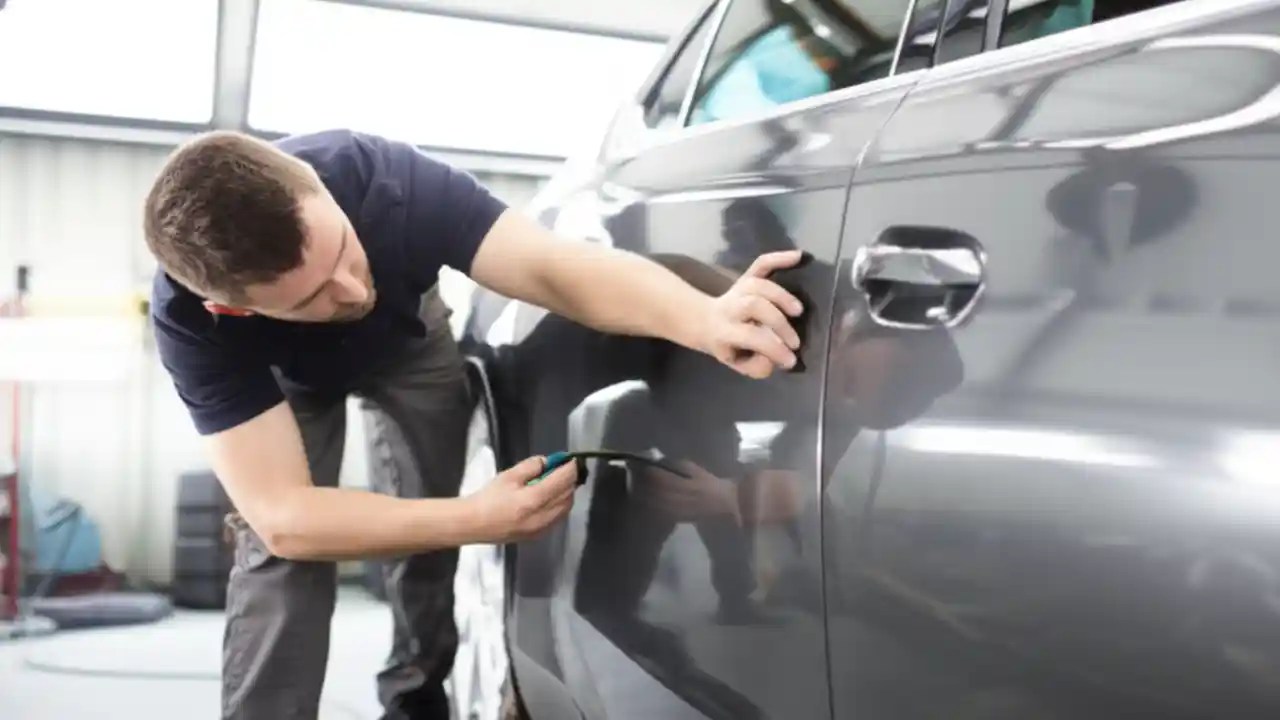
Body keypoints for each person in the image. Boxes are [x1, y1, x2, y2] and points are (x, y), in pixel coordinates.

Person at [141, 127, 805, 720]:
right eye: (311, 295)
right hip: (286, 379)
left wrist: (702, 317)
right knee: (282, 558)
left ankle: (413, 701)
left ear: (318, 184)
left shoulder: (389, 181)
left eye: (345, 248)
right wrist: (477, 517)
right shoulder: (191, 321)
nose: (351, 291)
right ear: (231, 310)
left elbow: (552, 269)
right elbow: (286, 515)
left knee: (424, 526)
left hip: (410, 344)